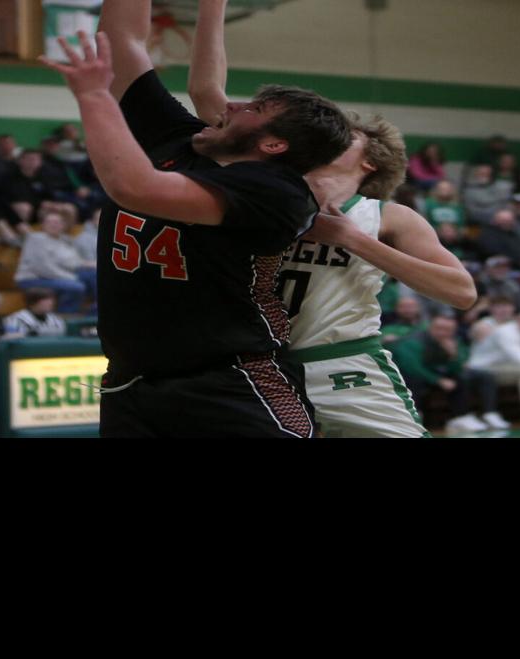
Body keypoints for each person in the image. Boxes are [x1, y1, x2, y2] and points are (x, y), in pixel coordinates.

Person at [40, 1, 353, 437]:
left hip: (230, 382)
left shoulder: (279, 193)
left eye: (255, 109)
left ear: (273, 145)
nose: (233, 104)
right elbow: (123, 43)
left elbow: (134, 187)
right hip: (131, 383)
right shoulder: (180, 139)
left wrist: (94, 97)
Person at [184, 4, 472, 437]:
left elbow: (461, 292)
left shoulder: (388, 217)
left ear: (371, 161)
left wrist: (354, 240)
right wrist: (213, 7)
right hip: (257, 366)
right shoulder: (272, 189)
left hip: (343, 362)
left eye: (346, 136)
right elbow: (207, 94)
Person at [390, 315, 504, 433]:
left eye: (448, 330)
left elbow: (458, 369)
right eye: (439, 328)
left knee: (464, 377)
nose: (443, 333)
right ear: (430, 327)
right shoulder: (413, 341)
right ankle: (413, 417)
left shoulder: (454, 342)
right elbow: (413, 368)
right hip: (409, 375)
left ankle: (462, 417)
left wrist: (453, 355)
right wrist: (438, 380)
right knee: (414, 380)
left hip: (436, 373)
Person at [14, 210, 97, 313]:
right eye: (50, 222)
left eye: (57, 222)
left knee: (93, 274)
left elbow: (73, 262)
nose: (54, 225)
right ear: (43, 225)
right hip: (34, 278)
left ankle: (97, 308)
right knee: (76, 286)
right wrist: (72, 278)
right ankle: (65, 316)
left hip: (60, 276)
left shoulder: (65, 240)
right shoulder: (36, 239)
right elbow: (43, 268)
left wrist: (89, 264)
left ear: (63, 225)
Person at [3, 287, 68, 338]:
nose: (51, 303)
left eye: (52, 300)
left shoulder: (56, 319)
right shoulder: (16, 318)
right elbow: (13, 340)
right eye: (46, 300)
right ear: (33, 302)